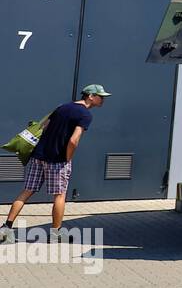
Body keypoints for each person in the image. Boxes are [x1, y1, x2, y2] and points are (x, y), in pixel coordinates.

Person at [0, 85, 110, 242]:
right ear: (90, 96)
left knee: (27, 191)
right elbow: (74, 140)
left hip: (39, 156)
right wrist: (68, 158)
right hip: (57, 160)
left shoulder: (62, 107)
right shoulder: (85, 114)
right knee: (59, 195)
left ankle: (6, 227)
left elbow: (44, 127)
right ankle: (56, 234)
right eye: (101, 96)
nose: (103, 99)